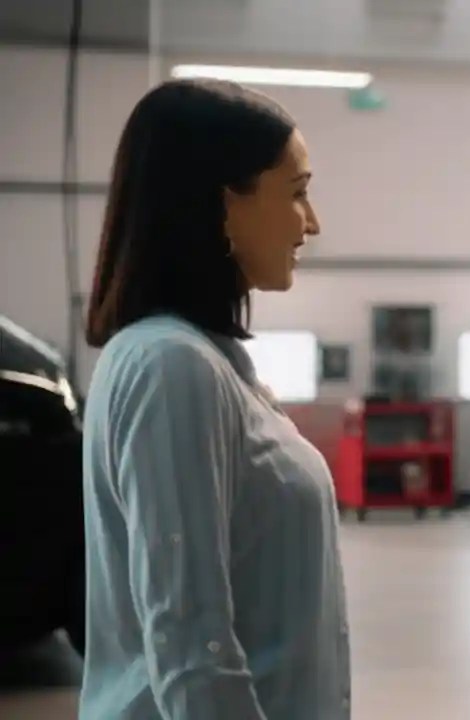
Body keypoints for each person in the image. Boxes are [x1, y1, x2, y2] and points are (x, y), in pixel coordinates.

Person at [79, 79, 351, 719]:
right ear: (224, 204)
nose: (312, 223)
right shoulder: (170, 365)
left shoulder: (211, 363)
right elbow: (191, 643)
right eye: (297, 192)